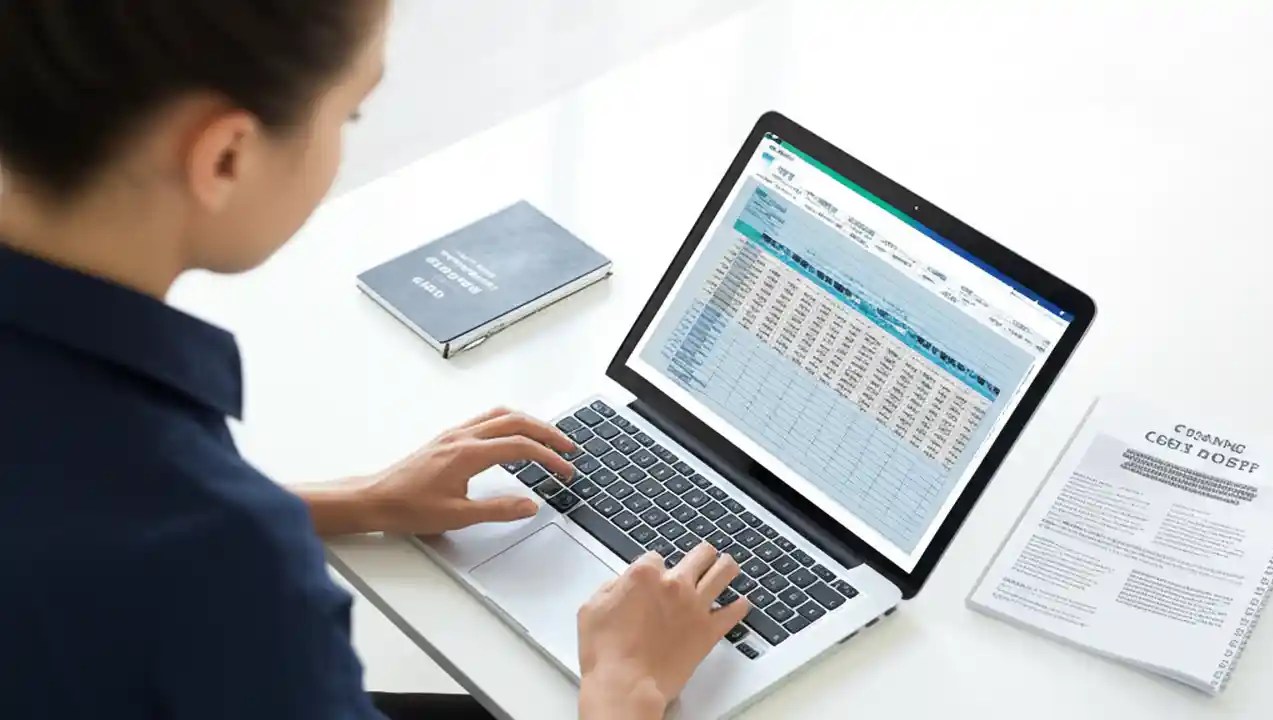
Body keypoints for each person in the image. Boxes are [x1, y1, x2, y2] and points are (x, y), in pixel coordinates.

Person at [0, 1, 750, 719]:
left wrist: (363, 499)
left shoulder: (166, 517)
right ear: (226, 155)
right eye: (347, 113)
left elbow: (85, 525)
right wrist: (622, 691)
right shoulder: (227, 566)